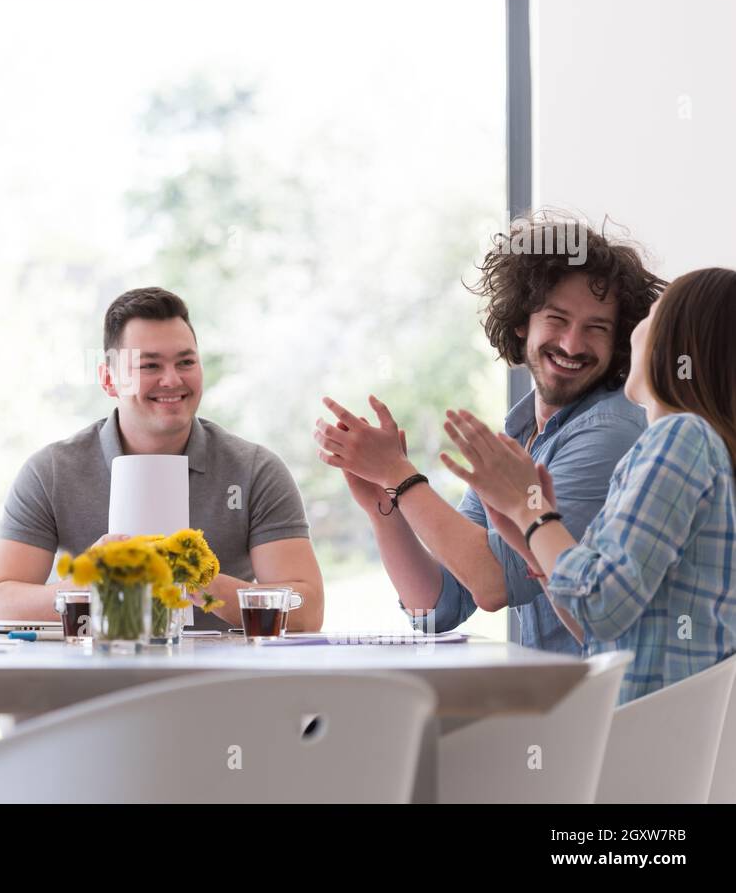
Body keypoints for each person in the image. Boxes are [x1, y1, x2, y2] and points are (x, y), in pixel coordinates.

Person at [315, 217, 663, 652]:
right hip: (559, 700)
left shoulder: (609, 432)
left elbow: (493, 582)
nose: (573, 344)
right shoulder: (518, 436)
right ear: (522, 323)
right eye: (557, 319)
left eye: (597, 328)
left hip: (608, 708)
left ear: (619, 343)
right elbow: (440, 605)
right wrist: (385, 505)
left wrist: (397, 472)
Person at [438, 267, 736, 701]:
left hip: (637, 741)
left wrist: (532, 512)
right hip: (658, 739)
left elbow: (600, 605)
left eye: (653, 313)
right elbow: (594, 628)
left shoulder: (679, 438)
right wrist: (529, 543)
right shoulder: (693, 447)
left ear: (676, 339)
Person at [0, 286, 322, 630]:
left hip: (223, 679)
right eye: (150, 365)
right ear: (109, 380)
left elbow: (307, 613)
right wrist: (89, 585)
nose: (172, 379)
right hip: (98, 677)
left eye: (186, 362)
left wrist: (202, 583)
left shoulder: (254, 470)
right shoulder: (53, 471)